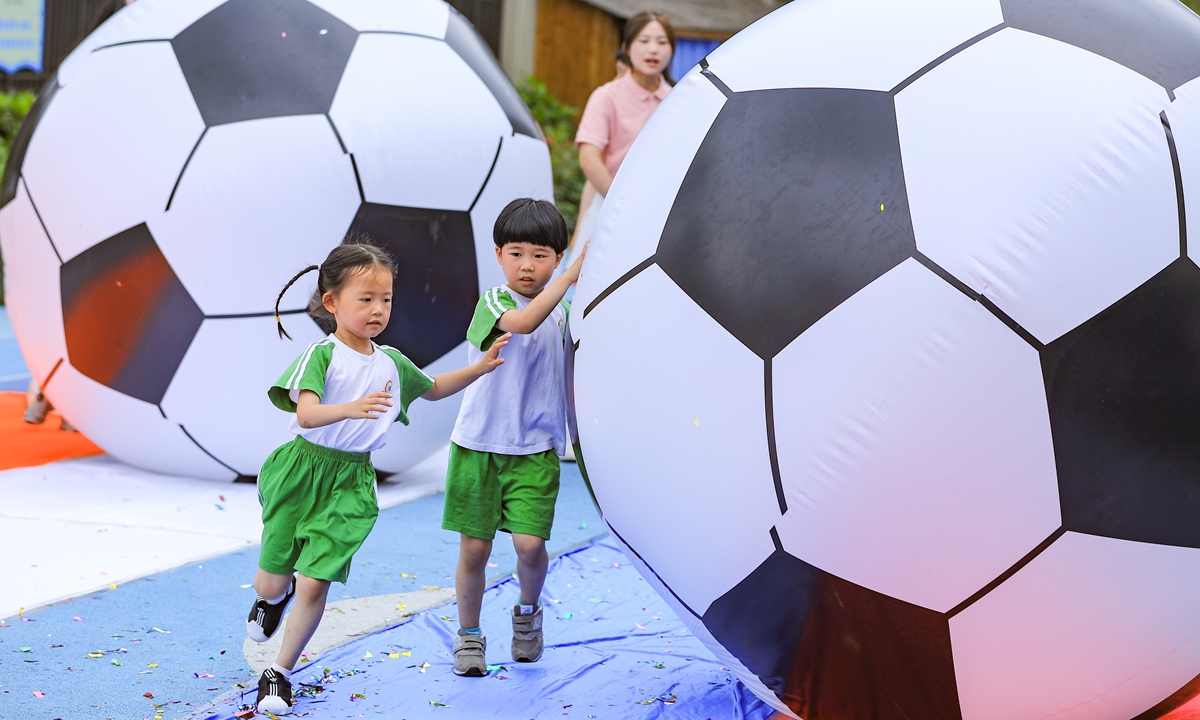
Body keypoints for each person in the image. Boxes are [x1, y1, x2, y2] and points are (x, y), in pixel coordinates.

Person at [245, 237, 510, 715]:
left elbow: (432, 389)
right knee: (272, 582)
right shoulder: (321, 356)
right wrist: (351, 408)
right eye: (365, 298)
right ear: (332, 303)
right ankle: (273, 598)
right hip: (301, 470)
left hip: (350, 482)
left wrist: (481, 368)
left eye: (385, 299)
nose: (377, 309)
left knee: (316, 581)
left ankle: (278, 672)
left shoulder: (390, 362)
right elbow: (306, 415)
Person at [444, 199, 586, 676]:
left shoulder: (567, 314)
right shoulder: (495, 302)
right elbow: (524, 324)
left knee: (529, 546)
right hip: (478, 446)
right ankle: (469, 635)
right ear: (499, 254)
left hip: (535, 451)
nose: (528, 265)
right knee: (475, 549)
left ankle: (527, 614)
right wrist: (568, 279)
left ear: (558, 256)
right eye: (517, 253)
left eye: (542, 255)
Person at [572, 12, 675, 257]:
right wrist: (620, 205)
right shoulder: (606, 96)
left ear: (671, 50)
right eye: (644, 40)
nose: (653, 49)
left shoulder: (678, 98)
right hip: (609, 208)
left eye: (662, 42)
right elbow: (588, 158)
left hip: (663, 214)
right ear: (626, 48)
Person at [566, 49, 632, 258]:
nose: (618, 78)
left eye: (624, 71)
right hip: (606, 203)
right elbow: (591, 175)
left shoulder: (665, 100)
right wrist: (579, 228)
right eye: (618, 71)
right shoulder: (606, 97)